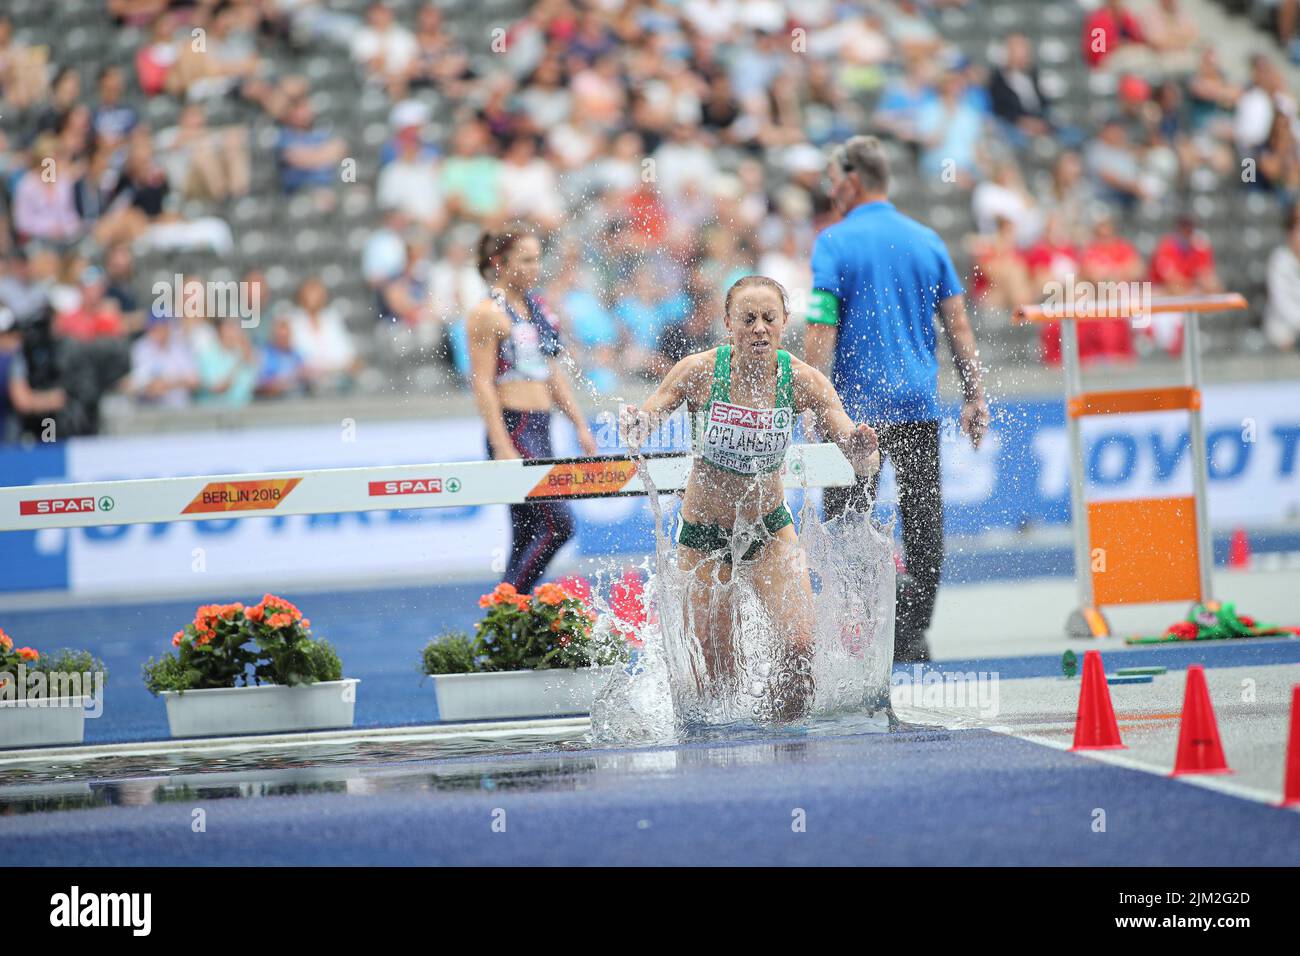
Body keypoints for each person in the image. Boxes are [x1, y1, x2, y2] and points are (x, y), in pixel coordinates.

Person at [620, 275, 879, 721]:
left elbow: (857, 455)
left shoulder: (803, 381)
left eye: (768, 318)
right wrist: (635, 426)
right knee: (716, 679)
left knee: (800, 651)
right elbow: (647, 419)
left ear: (784, 323)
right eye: (748, 319)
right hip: (703, 538)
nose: (759, 328)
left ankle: (785, 738)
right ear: (728, 324)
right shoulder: (698, 372)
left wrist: (859, 451)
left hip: (767, 531)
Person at [805, 135, 987, 664]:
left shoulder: (833, 242)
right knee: (924, 524)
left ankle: (860, 639)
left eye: (833, 180)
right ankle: (910, 636)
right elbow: (959, 328)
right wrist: (974, 397)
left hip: (854, 415)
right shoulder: (927, 240)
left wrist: (816, 403)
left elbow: (821, 330)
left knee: (845, 526)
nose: (829, 189)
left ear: (853, 180)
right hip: (916, 407)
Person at [467, 223, 599, 595]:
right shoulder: (487, 313)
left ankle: (505, 624)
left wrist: (579, 424)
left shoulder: (537, 307)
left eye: (537, 259)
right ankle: (506, 606)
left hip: (540, 427)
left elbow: (552, 372)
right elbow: (482, 382)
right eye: (524, 260)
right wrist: (502, 444)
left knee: (527, 533)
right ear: (500, 263)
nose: (534, 268)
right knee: (558, 526)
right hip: (514, 427)